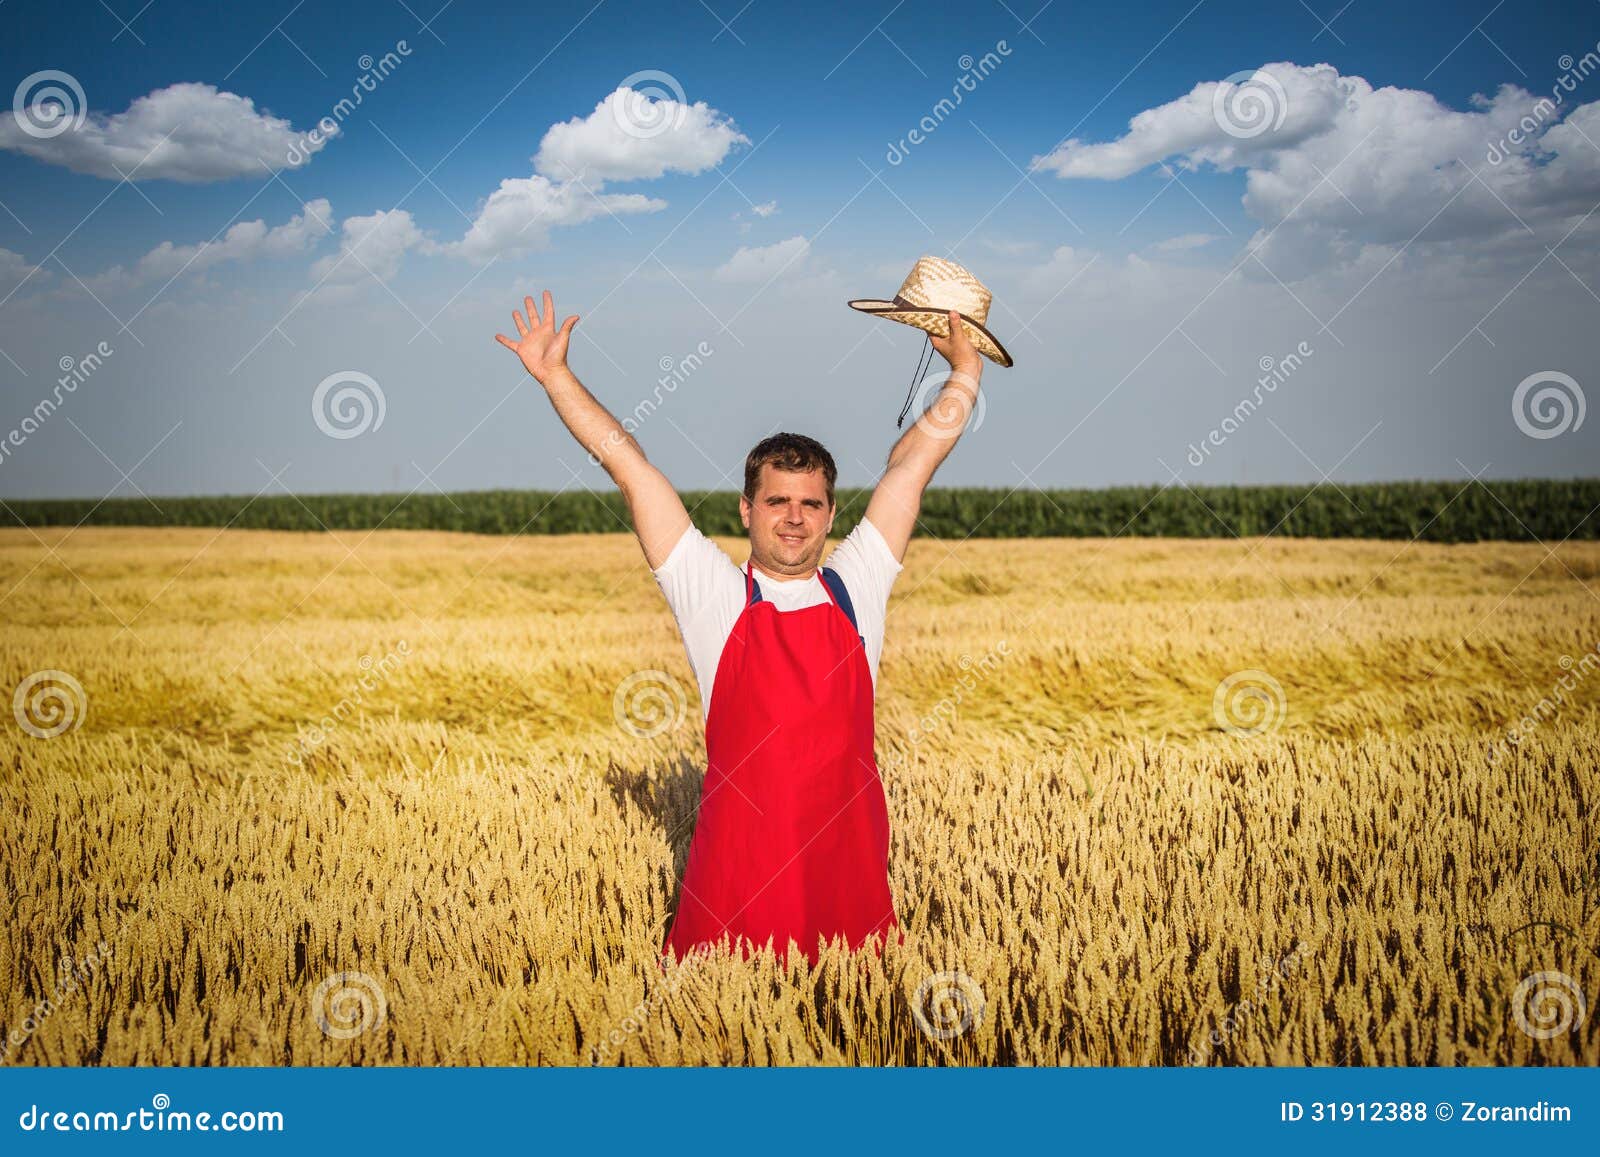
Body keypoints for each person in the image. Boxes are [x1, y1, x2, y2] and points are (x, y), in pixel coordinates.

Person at [495, 290, 986, 966]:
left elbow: (912, 463)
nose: (793, 517)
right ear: (746, 509)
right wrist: (557, 378)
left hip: (847, 883)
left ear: (832, 513)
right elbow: (629, 466)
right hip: (735, 890)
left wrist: (965, 373)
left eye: (810, 503)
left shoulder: (858, 584)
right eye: (776, 501)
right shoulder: (715, 595)